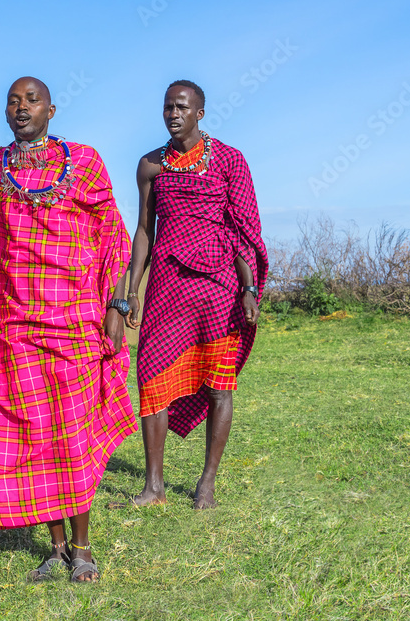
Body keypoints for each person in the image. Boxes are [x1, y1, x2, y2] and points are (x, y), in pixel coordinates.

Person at [0, 76, 137, 584]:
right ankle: (55, 548)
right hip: (13, 324)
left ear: (51, 110)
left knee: (71, 437)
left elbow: (113, 238)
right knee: (34, 435)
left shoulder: (84, 163)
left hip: (75, 321)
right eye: (12, 100)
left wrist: (117, 307)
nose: (20, 108)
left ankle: (82, 548)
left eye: (31, 100)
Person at [126, 80, 267, 510]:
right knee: (151, 376)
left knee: (219, 385)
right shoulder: (151, 165)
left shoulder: (229, 160)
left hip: (219, 286)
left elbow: (243, 230)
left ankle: (207, 482)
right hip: (168, 284)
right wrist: (131, 288)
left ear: (199, 113)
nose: (173, 113)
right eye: (168, 106)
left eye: (182, 107)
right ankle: (154, 485)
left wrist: (248, 287)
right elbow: (145, 231)